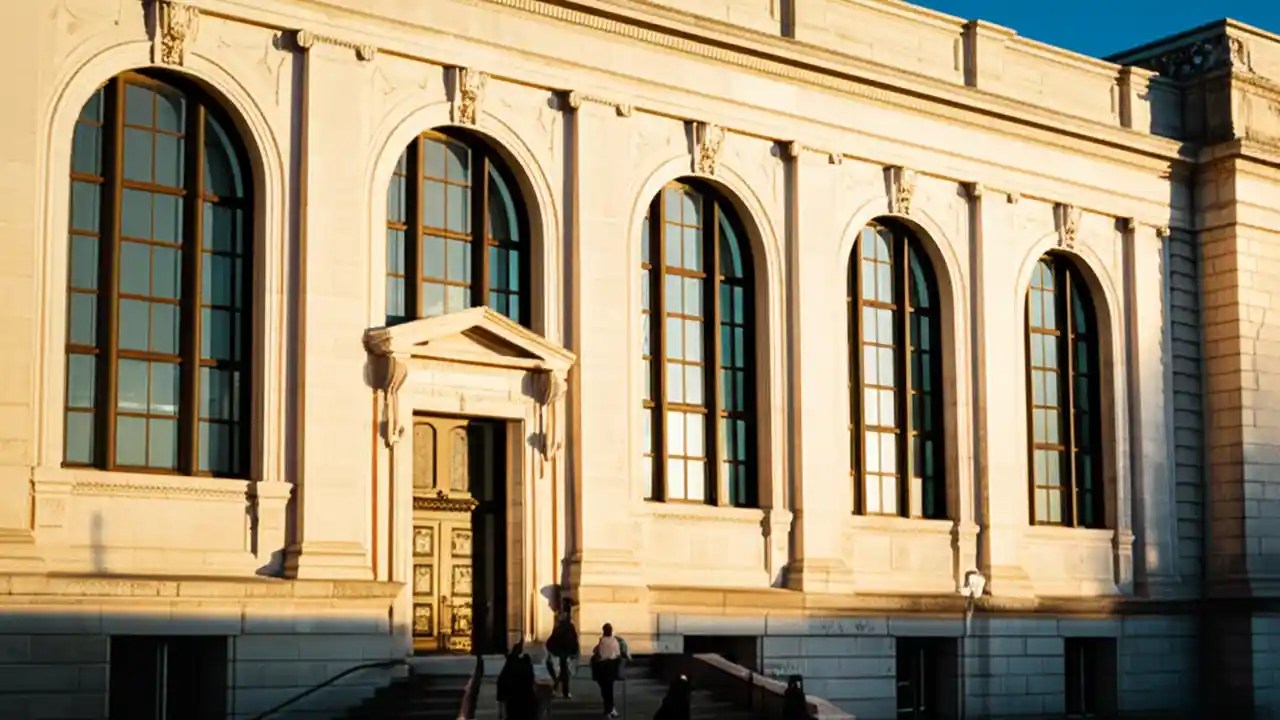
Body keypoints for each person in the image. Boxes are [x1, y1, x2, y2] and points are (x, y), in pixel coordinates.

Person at [590, 622, 627, 718]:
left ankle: (608, 709)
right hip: (611, 668)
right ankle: (610, 709)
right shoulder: (615, 641)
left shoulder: (602, 641)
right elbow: (618, 654)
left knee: (605, 689)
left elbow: (596, 653)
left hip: (601, 668)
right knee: (609, 689)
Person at [545, 597, 579, 699]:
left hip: (562, 652)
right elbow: (573, 639)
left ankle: (559, 690)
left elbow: (572, 638)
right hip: (562, 652)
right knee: (563, 673)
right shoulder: (565, 626)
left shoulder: (563, 625)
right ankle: (562, 691)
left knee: (562, 673)